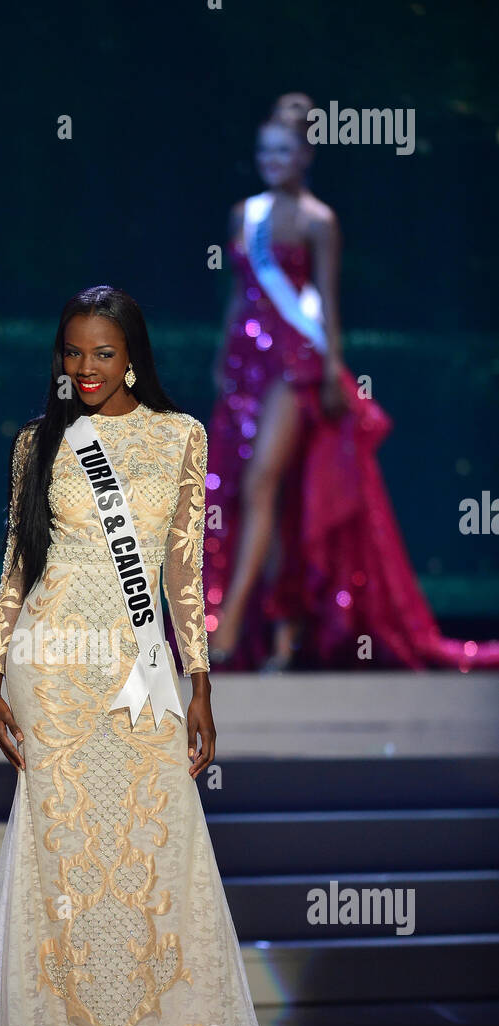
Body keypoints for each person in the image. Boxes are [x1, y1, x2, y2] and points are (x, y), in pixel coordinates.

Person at [0, 285, 267, 1026]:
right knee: (63, 858)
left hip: (137, 668)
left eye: (100, 353)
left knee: (153, 846)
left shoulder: (178, 437)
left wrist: (199, 681)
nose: (84, 368)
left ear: (130, 355)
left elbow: (182, 574)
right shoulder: (39, 442)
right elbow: (18, 569)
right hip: (52, 665)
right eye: (71, 352)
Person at [204, 93, 499, 672]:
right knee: (257, 495)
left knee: (263, 482)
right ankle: (284, 629)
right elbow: (239, 292)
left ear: (305, 155)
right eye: (265, 151)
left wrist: (335, 368)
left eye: (284, 151)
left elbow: (328, 303)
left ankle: (232, 622)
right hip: (246, 363)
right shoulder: (246, 215)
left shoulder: (319, 221)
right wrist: (222, 357)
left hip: (296, 364)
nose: (273, 160)